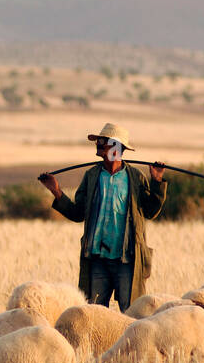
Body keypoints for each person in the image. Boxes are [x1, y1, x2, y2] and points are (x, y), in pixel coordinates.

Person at [37, 122, 167, 311]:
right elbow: (77, 213)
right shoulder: (91, 176)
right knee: (93, 314)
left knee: (131, 313)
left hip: (127, 260)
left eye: (103, 141)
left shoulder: (136, 177)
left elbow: (151, 212)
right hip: (97, 259)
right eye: (98, 140)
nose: (98, 144)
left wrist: (157, 182)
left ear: (116, 146)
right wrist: (56, 191)